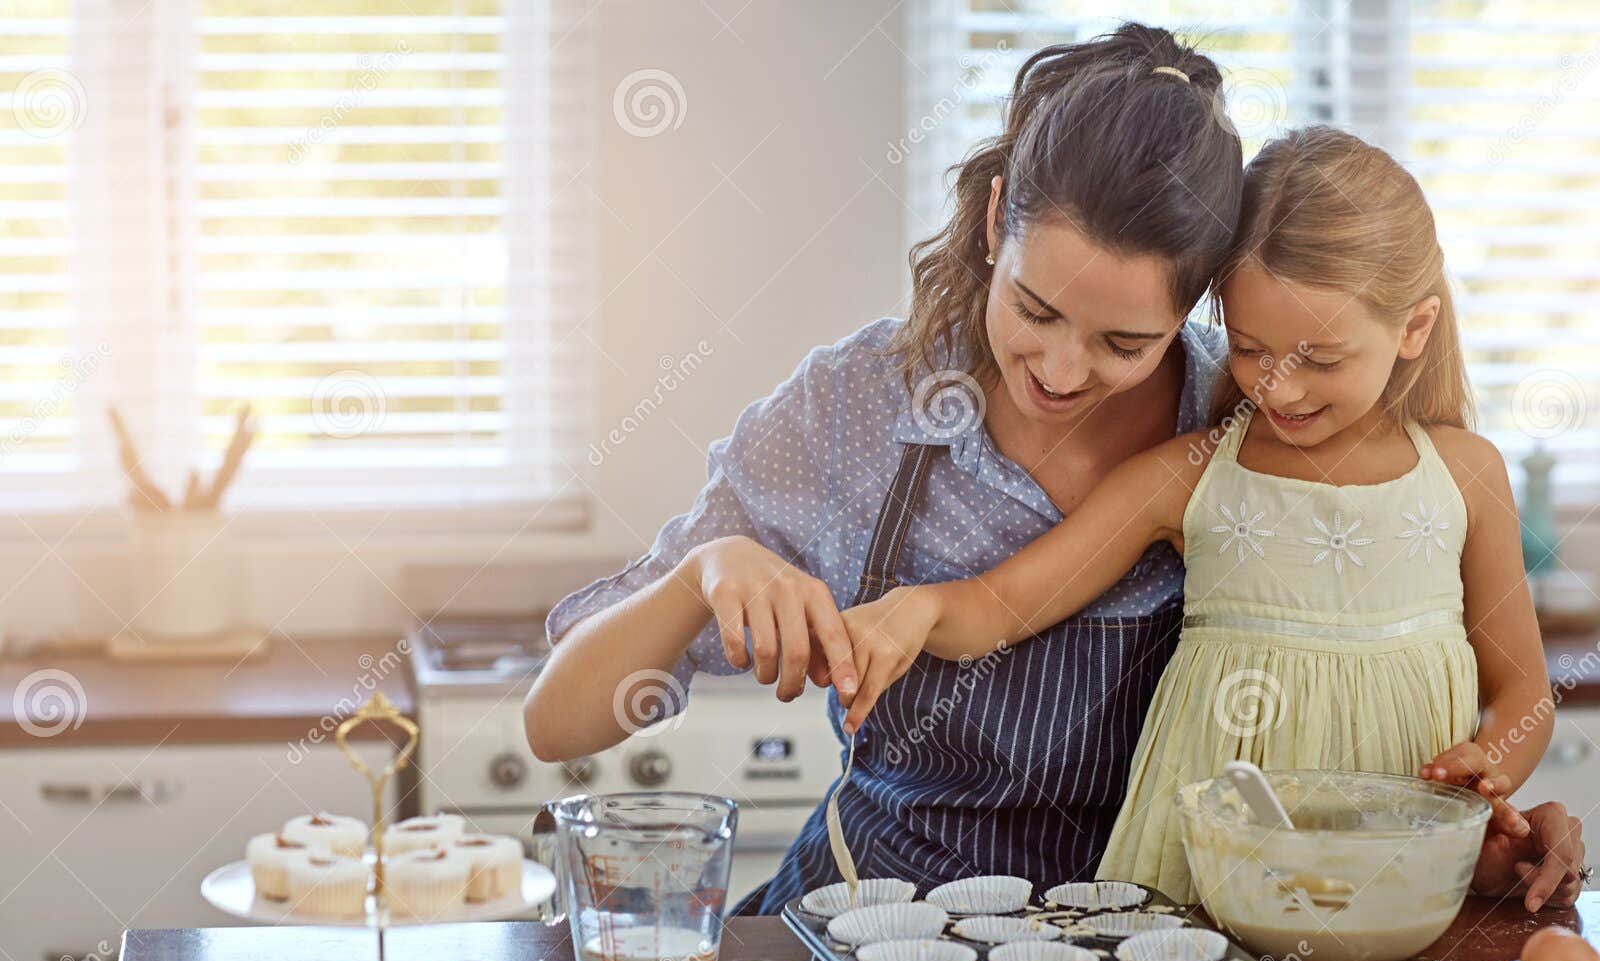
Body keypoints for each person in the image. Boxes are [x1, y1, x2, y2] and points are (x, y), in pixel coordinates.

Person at [524, 25, 1587, 914]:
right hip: (876, 932)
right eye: (1034, 310)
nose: (1063, 369)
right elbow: (556, 721)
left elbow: (1382, 692)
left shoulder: (1253, 434)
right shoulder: (853, 409)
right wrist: (703, 569)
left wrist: (1470, 829)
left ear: (1200, 302)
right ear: (995, 223)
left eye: (1127, 343)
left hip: (1161, 957)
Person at [835, 126, 1586, 906]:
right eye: (1252, 350)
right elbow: (1002, 604)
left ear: (1414, 330)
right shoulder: (1188, 477)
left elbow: (1520, 685)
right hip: (1206, 881)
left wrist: (1490, 765)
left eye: (1320, 361)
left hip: (1401, 872)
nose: (1281, 389)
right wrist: (918, 610)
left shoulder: (1466, 475)